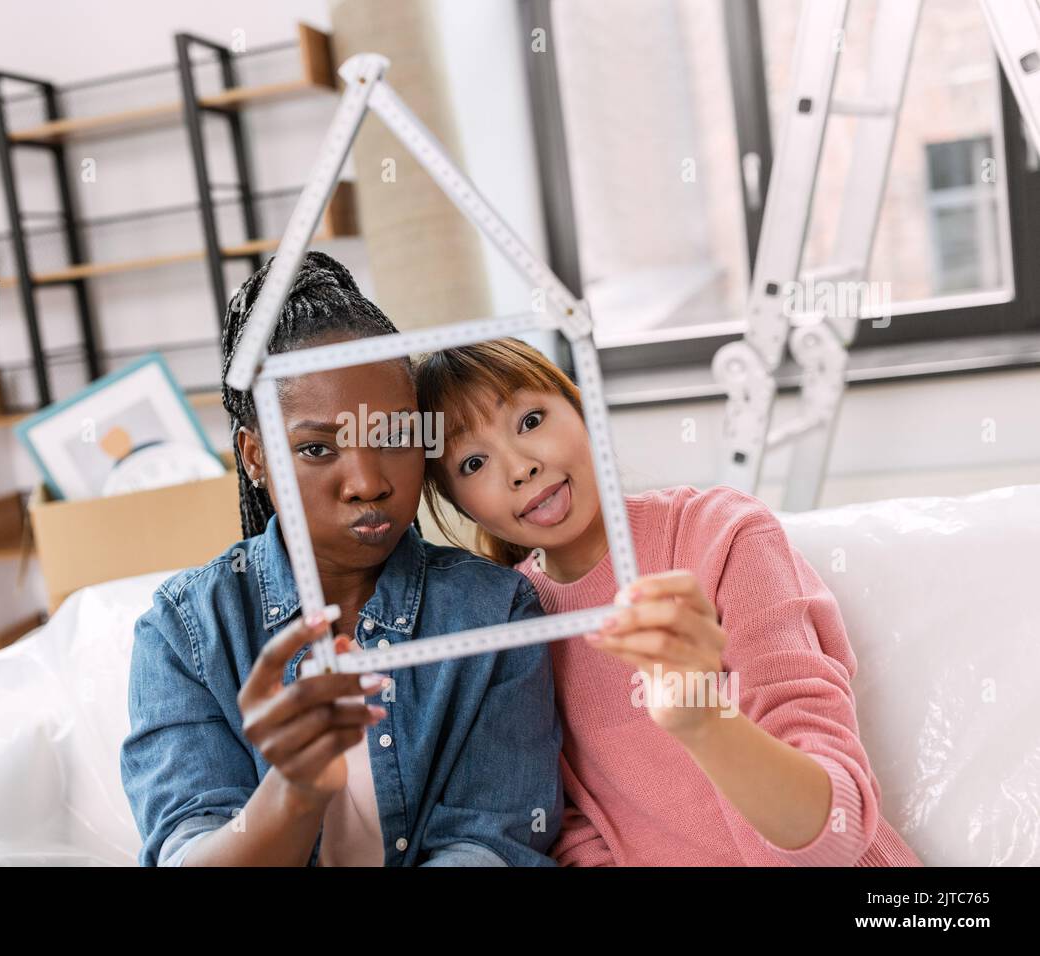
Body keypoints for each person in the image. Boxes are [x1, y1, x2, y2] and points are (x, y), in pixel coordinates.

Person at [121, 254, 562, 866]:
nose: (366, 482)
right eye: (318, 448)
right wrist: (294, 792)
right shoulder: (185, 633)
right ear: (255, 456)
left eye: (393, 435)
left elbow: (491, 846)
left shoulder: (496, 614)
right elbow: (187, 853)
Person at [415, 337, 922, 866]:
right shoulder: (514, 621)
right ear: (460, 506)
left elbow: (840, 830)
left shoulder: (722, 534)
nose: (519, 467)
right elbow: (576, 836)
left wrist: (703, 720)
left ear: (581, 409)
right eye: (473, 462)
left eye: (530, 421)